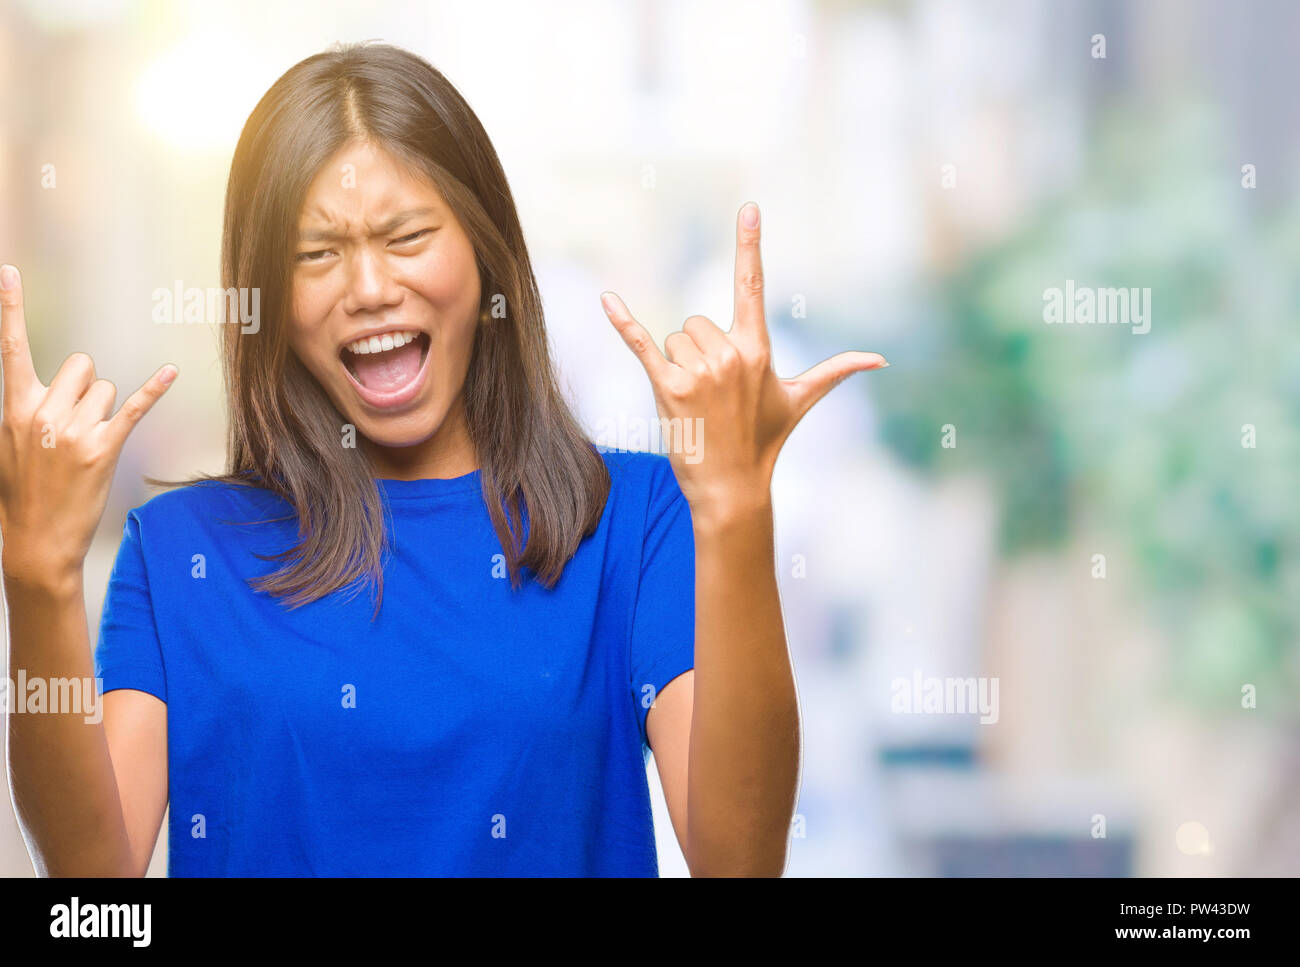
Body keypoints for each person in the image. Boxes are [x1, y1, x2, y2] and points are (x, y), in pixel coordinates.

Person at [1, 41, 886, 877]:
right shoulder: (178, 552)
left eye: (407, 236)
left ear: (486, 254)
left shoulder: (634, 518)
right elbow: (91, 895)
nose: (370, 288)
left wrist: (735, 507)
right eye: (318, 254)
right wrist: (38, 572)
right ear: (267, 300)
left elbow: (740, 860)